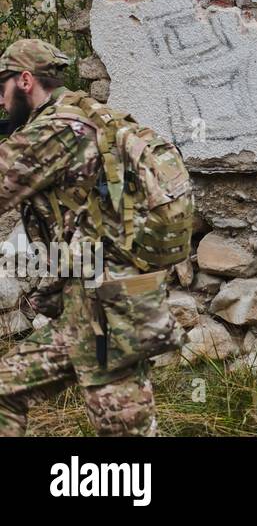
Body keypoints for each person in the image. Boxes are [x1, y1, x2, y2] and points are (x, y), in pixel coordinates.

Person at [0, 38, 191, 436]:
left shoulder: (55, 131)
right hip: (92, 302)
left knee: (122, 428)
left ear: (24, 80)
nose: (0, 103)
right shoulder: (88, 116)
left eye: (0, 89)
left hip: (104, 312)